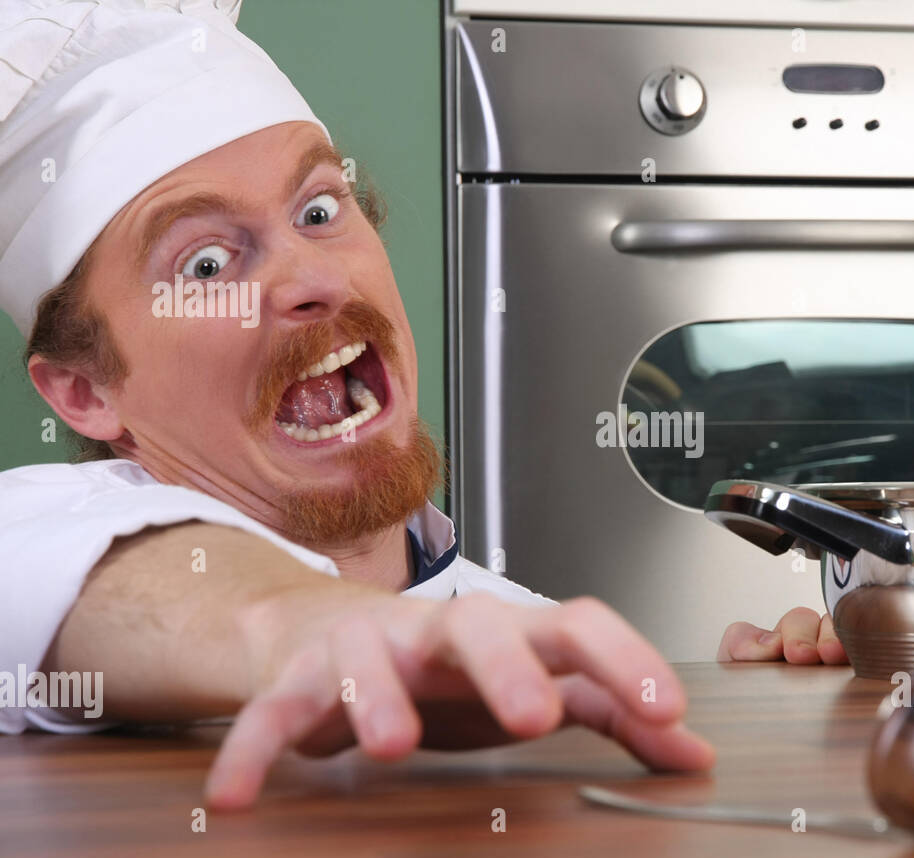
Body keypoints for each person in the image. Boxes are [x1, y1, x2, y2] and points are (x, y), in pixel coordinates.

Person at [0, 0, 838, 810]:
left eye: (320, 210)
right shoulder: (34, 557)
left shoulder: (518, 638)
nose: (313, 279)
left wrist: (741, 705)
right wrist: (300, 626)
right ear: (84, 392)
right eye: (208, 265)